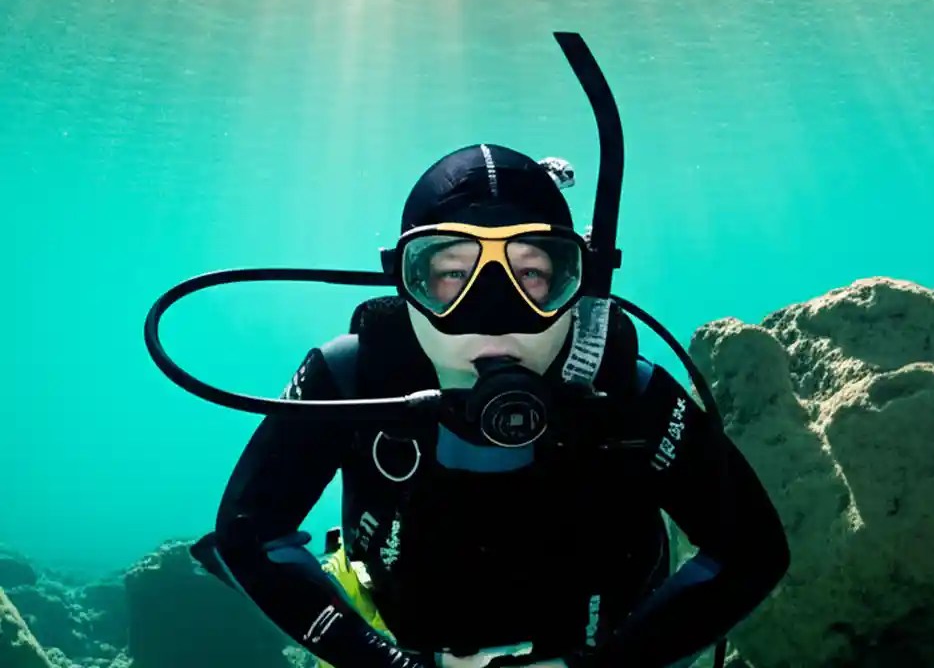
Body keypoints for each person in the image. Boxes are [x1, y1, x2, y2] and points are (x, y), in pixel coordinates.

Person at [187, 142, 791, 668]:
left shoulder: (625, 394)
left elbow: (751, 552)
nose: (495, 312)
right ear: (405, 280)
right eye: (451, 272)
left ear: (579, 283)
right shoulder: (350, 381)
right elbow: (248, 537)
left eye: (531, 271)